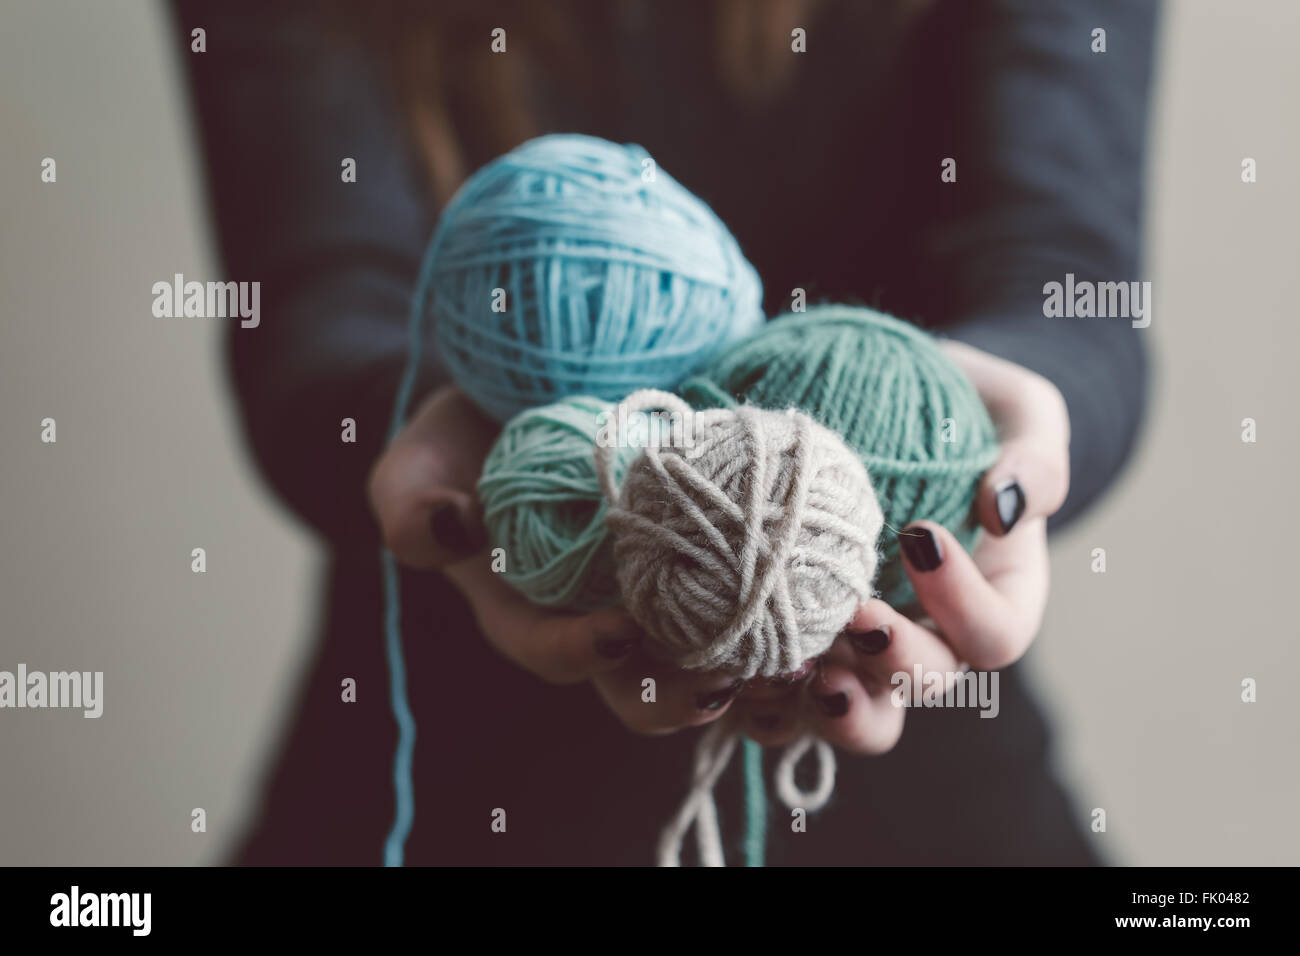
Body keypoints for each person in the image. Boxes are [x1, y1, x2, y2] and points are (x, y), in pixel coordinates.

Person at [172, 0, 1157, 865]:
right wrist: (444, 447)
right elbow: (317, 303)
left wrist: (1019, 408)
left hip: (934, 783)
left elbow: (1060, 266)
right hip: (439, 775)